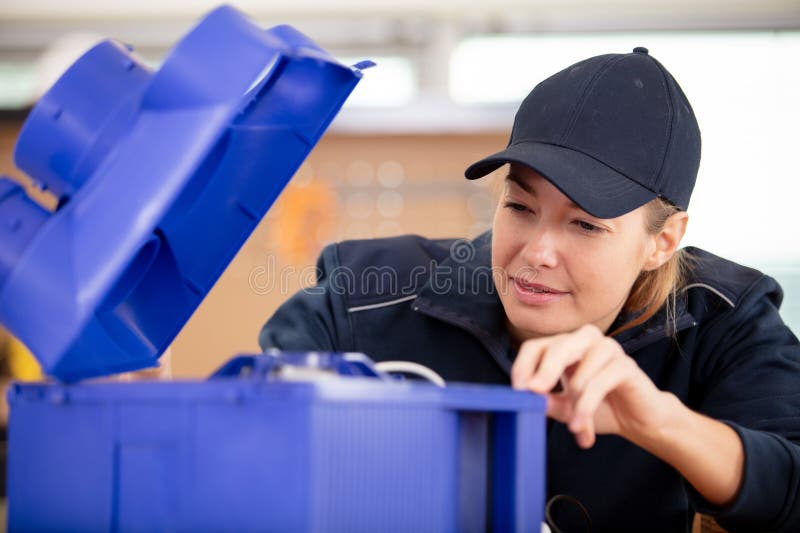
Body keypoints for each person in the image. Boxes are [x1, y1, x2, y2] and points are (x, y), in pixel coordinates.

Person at [258, 47, 800, 532]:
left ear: (663, 240)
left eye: (585, 225)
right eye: (519, 206)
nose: (537, 251)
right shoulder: (362, 299)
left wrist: (659, 421)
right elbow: (247, 446)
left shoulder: (727, 319)